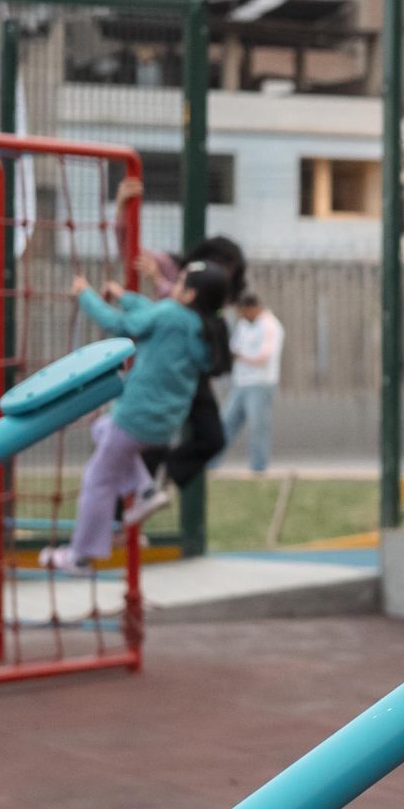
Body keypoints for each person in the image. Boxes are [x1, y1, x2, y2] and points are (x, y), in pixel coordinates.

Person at [44, 262, 230, 574]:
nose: (173, 286)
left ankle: (79, 556)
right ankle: (146, 489)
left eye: (179, 281)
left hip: (134, 417)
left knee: (97, 481)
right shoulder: (199, 325)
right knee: (102, 428)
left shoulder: (172, 316)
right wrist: (123, 295)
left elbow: (121, 326)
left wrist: (85, 295)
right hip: (163, 425)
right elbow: (151, 315)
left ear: (190, 293)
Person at [111, 175, 246, 526]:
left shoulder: (214, 292)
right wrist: (123, 206)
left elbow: (204, 325)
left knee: (211, 436)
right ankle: (119, 516)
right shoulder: (175, 270)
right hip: (163, 367)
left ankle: (165, 474)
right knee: (147, 443)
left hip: (191, 369)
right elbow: (131, 250)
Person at [219, 292, 282, 473]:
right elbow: (234, 346)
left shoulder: (270, 325)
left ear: (253, 308)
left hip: (260, 383)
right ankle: (210, 464)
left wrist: (241, 356)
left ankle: (258, 468)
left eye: (244, 312)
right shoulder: (245, 325)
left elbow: (265, 355)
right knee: (226, 423)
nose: (242, 316)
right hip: (241, 382)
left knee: (258, 426)